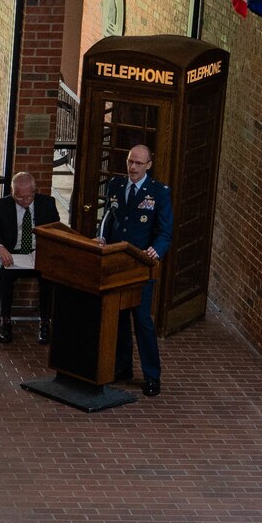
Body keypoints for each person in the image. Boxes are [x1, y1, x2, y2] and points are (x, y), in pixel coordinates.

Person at [100, 143, 174, 395]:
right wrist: (102, 237)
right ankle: (122, 367)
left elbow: (164, 232)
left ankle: (152, 376)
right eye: (130, 161)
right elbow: (109, 218)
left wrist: (156, 251)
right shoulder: (116, 185)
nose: (132, 167)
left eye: (138, 163)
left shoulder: (158, 192)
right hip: (116, 262)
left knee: (142, 320)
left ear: (148, 165)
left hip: (140, 266)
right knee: (119, 318)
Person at [0, 171, 62, 344]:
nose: (24, 201)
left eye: (28, 197)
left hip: (37, 253)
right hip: (10, 252)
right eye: (19, 197)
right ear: (12, 192)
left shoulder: (47, 204)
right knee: (3, 274)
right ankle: (5, 322)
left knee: (50, 274)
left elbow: (57, 231)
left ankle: (45, 323)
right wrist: (0, 248)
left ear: (35, 192)